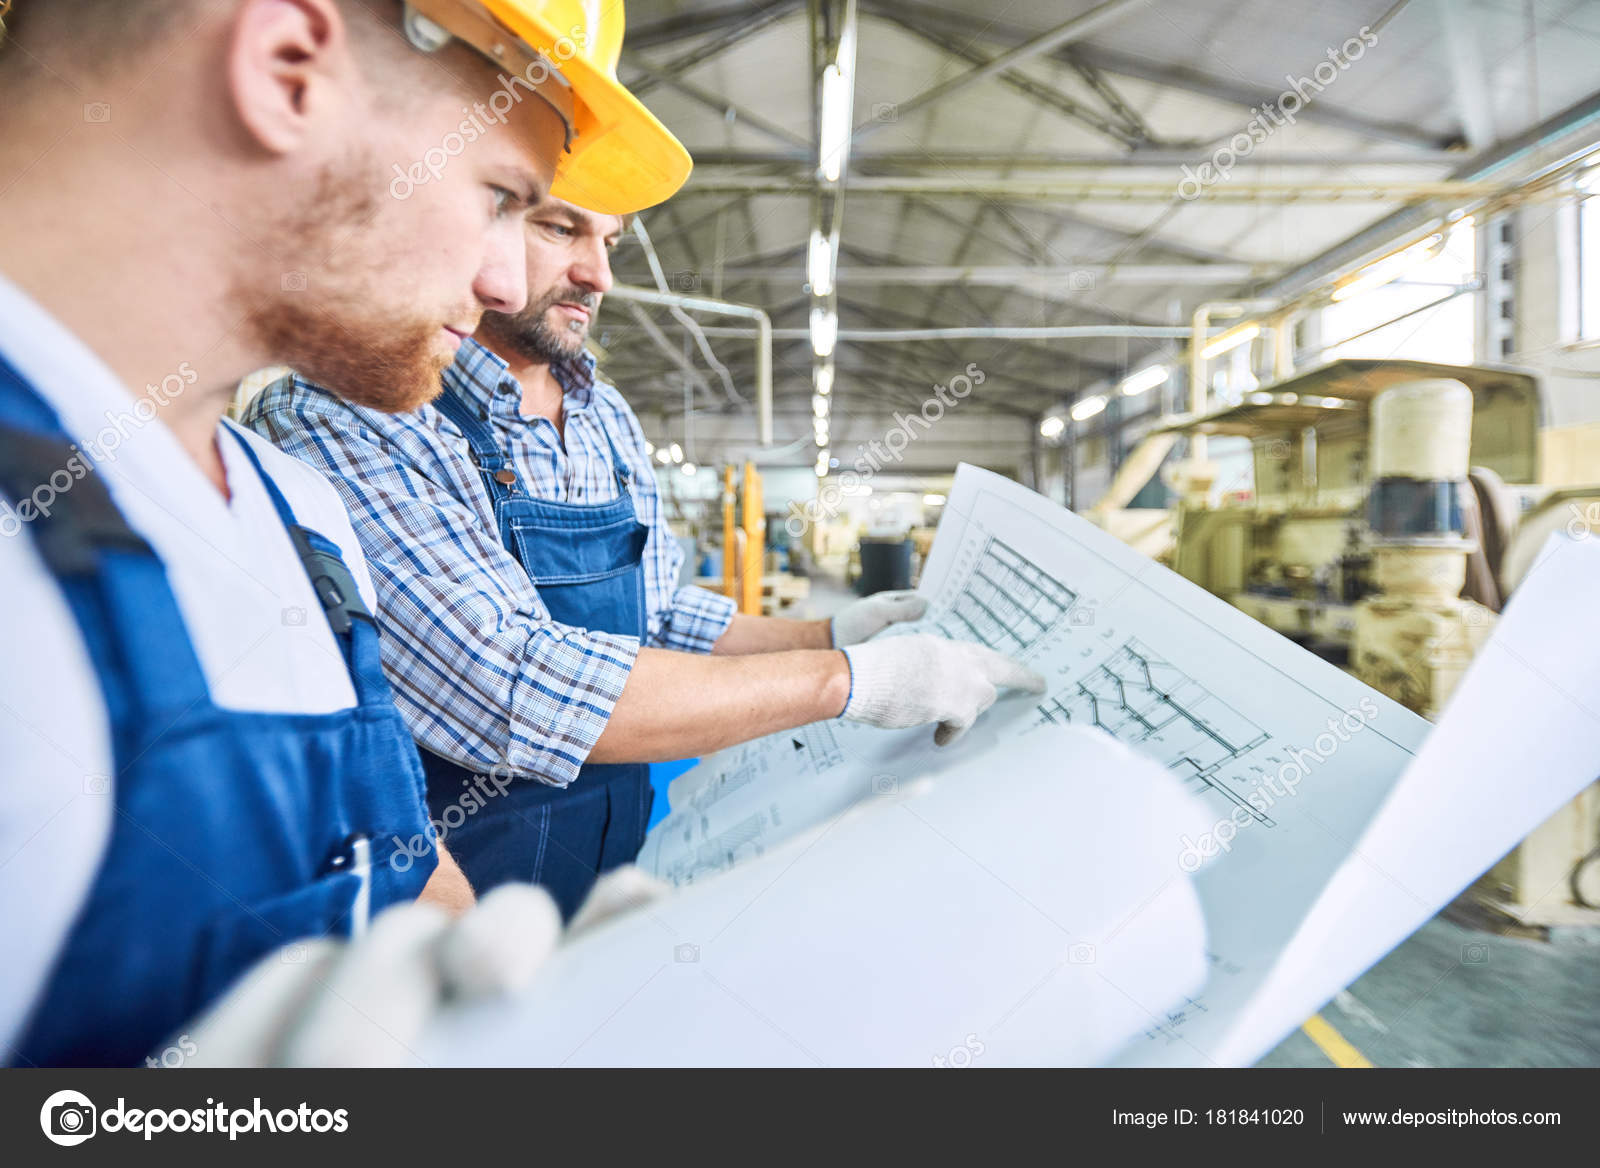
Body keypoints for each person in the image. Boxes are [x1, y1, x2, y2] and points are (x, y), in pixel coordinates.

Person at [0, 0, 685, 1066]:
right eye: (500, 195)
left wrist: (522, 1011)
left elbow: (404, 860)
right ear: (286, 71)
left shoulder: (293, 509)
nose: (507, 283)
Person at [246, 194, 1047, 918]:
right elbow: (509, 687)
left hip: (615, 851)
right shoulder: (352, 409)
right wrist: (853, 682)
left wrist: (833, 634)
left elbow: (662, 614)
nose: (596, 273)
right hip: (457, 894)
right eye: (559, 228)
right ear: (473, 216)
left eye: (611, 242)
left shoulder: (603, 412)